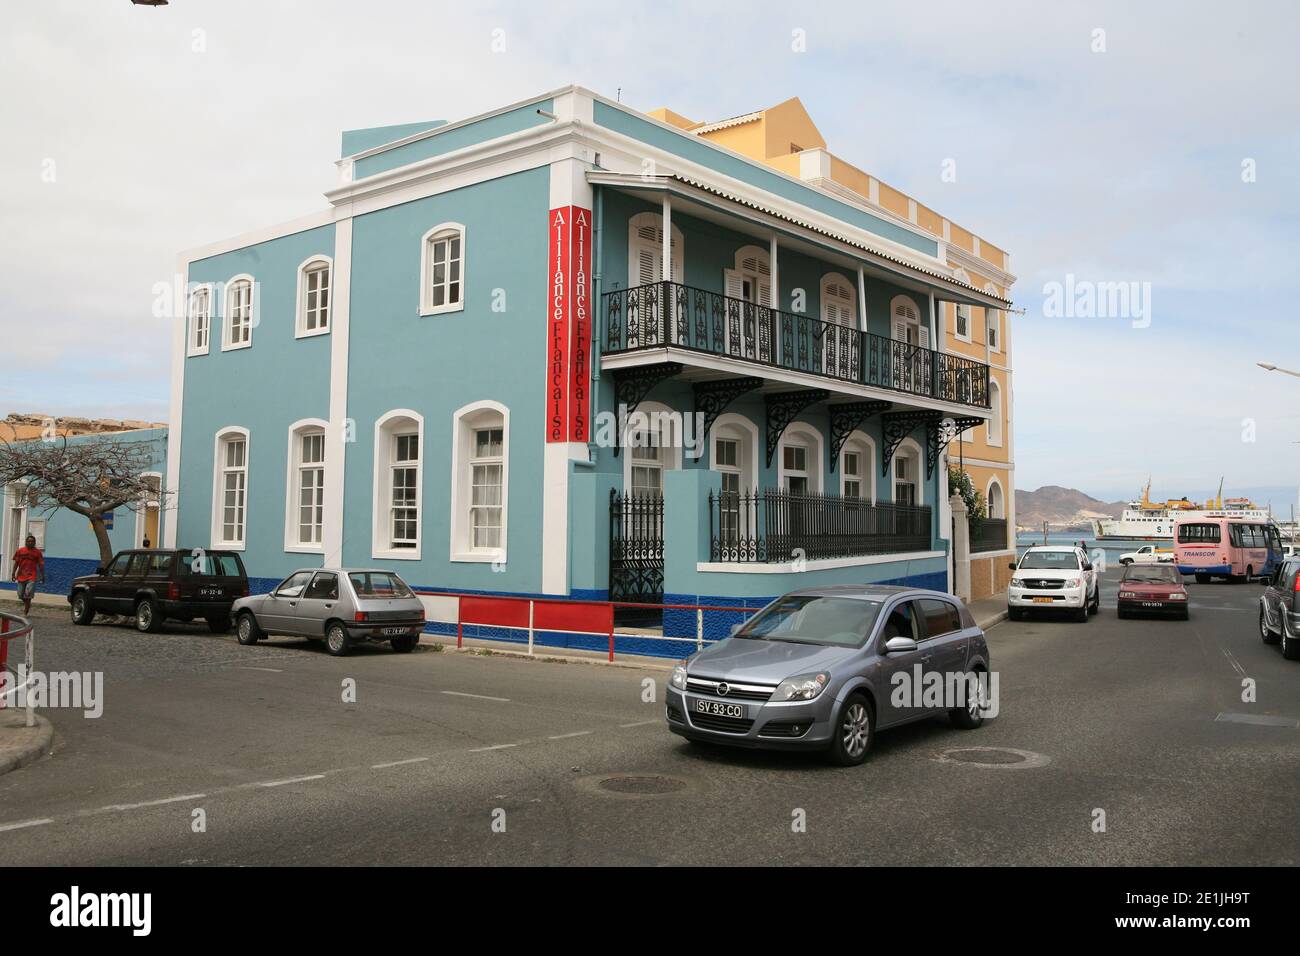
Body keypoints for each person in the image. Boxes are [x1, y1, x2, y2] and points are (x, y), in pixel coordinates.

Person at [11, 533, 45, 615]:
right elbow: (16, 563)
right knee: (20, 595)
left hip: (31, 576)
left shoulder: (37, 553)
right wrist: (13, 573)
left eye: (32, 541)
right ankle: (28, 603)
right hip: (21, 575)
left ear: (34, 542)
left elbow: (41, 565)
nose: (30, 543)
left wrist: (42, 576)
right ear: (26, 542)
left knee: (28, 594)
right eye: (29, 541)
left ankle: (25, 612)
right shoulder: (20, 551)